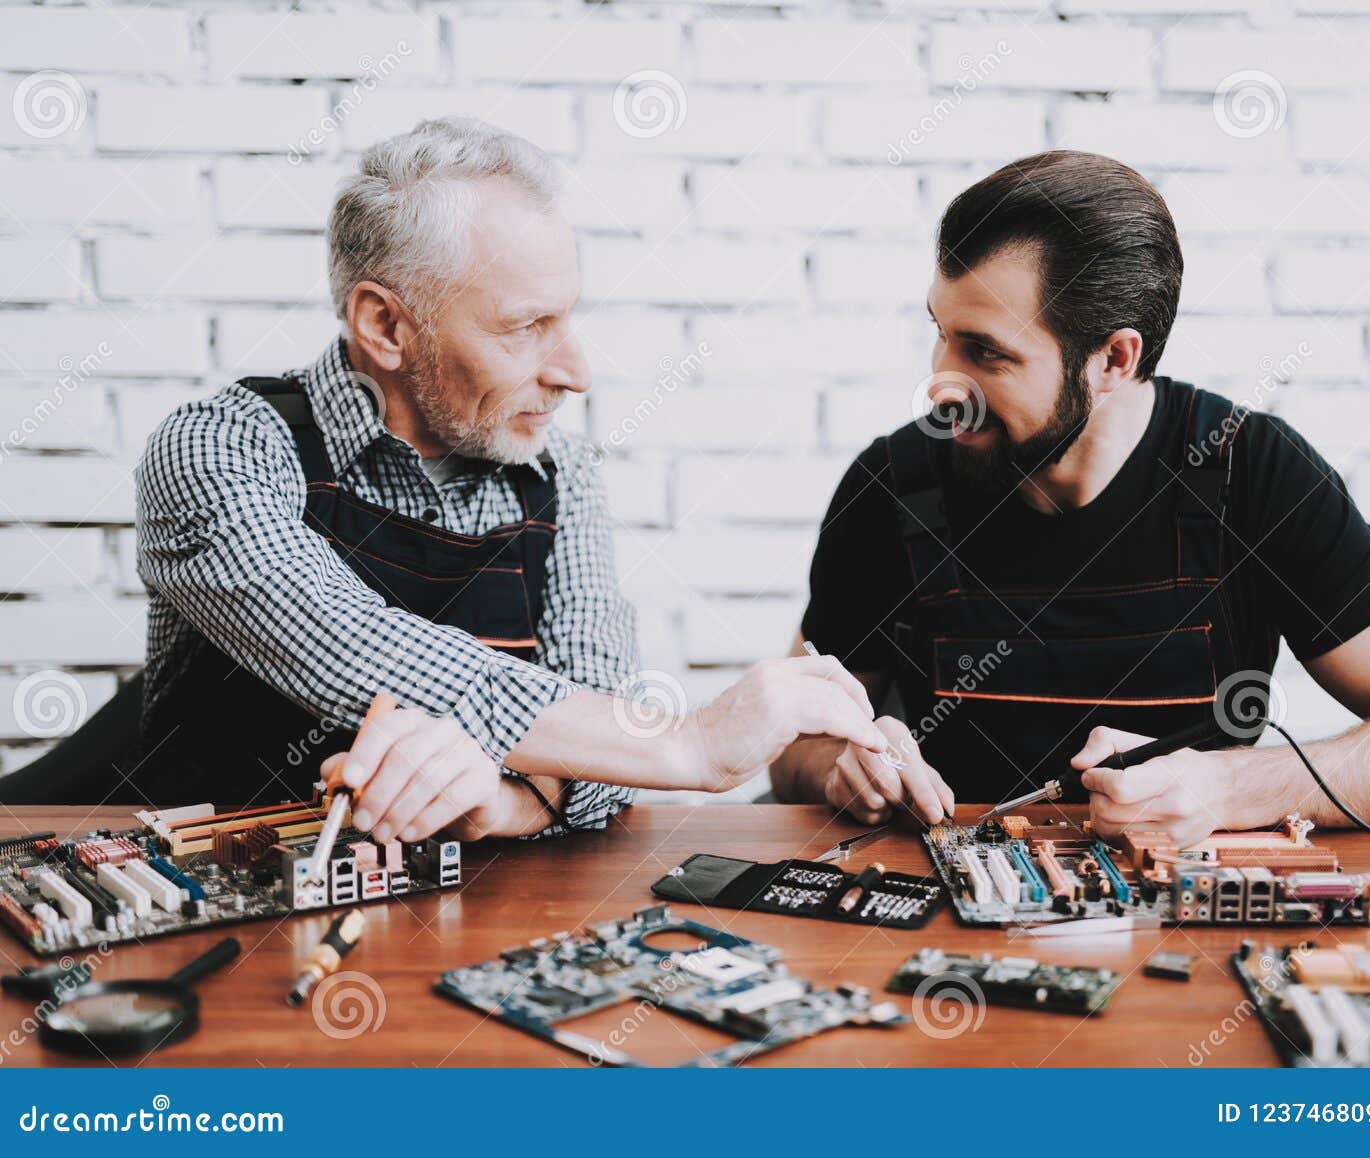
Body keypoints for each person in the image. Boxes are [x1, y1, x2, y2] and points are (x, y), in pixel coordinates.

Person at [117, 117, 887, 841]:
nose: (576, 373)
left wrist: (500, 803)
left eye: (567, 319)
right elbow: (353, 645)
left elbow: (606, 738)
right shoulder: (215, 451)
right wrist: (688, 746)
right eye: (526, 328)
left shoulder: (561, 471)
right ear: (385, 326)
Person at [771, 150, 1370, 848]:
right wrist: (841, 763)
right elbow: (792, 748)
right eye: (941, 335)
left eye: (986, 351)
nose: (942, 382)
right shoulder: (894, 484)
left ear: (1114, 359)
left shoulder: (1252, 475)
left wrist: (1231, 786)